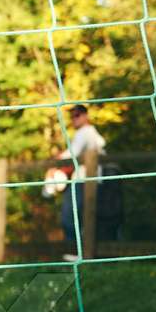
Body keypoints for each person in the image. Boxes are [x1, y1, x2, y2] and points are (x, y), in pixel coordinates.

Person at [56, 104, 106, 262]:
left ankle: (76, 252)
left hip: (82, 180)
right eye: (72, 116)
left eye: (77, 115)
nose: (74, 119)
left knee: (69, 216)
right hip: (92, 180)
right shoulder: (93, 134)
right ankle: (85, 253)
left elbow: (72, 154)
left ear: (85, 116)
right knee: (86, 217)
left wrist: (54, 163)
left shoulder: (85, 132)